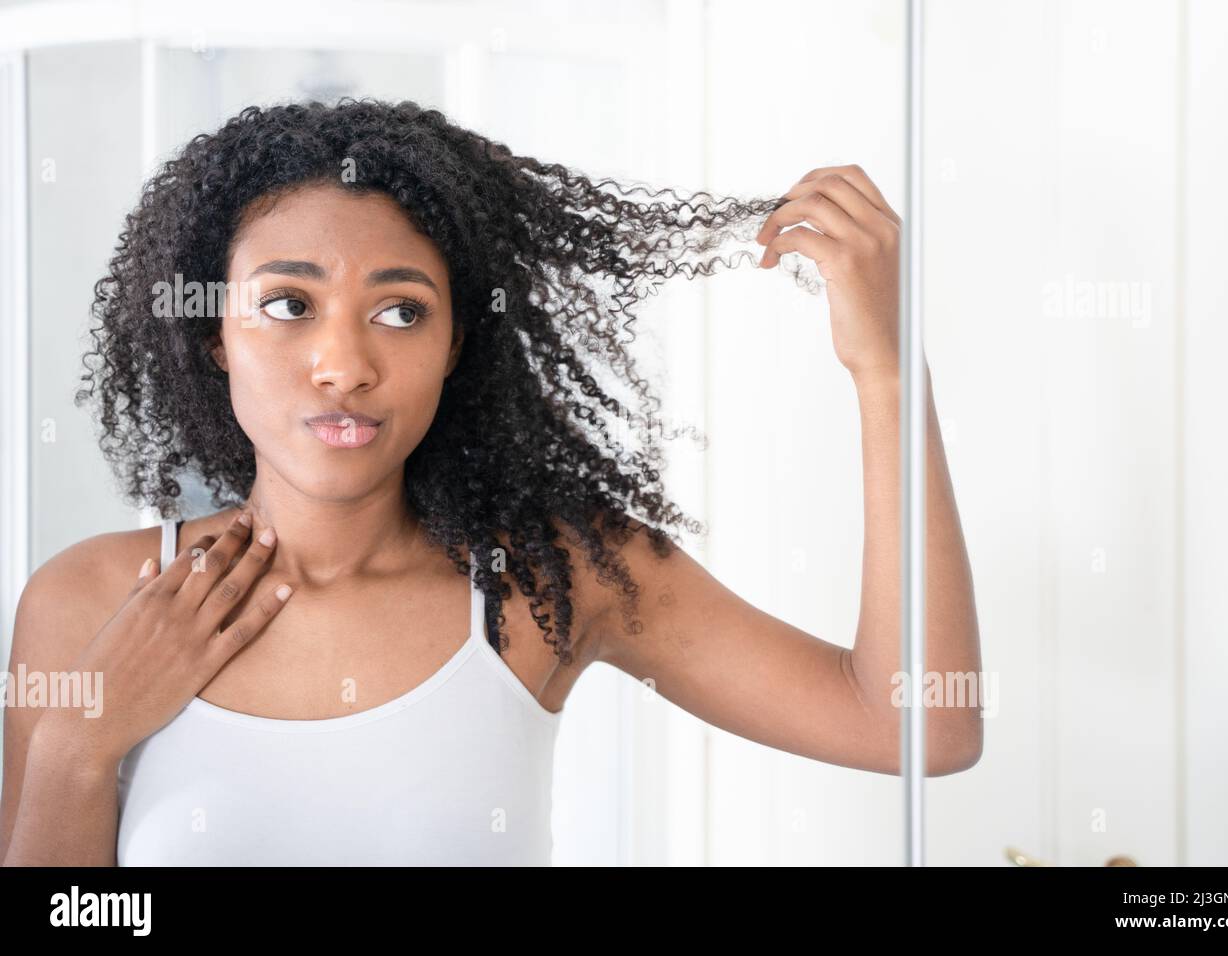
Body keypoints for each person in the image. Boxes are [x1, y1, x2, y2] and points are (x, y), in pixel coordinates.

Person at [1, 98, 981, 866]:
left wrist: (886, 371)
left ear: (456, 343)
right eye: (289, 304)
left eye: (399, 312)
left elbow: (919, 722)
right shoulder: (85, 602)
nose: (343, 364)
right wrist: (73, 748)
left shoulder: (546, 579)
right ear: (215, 335)